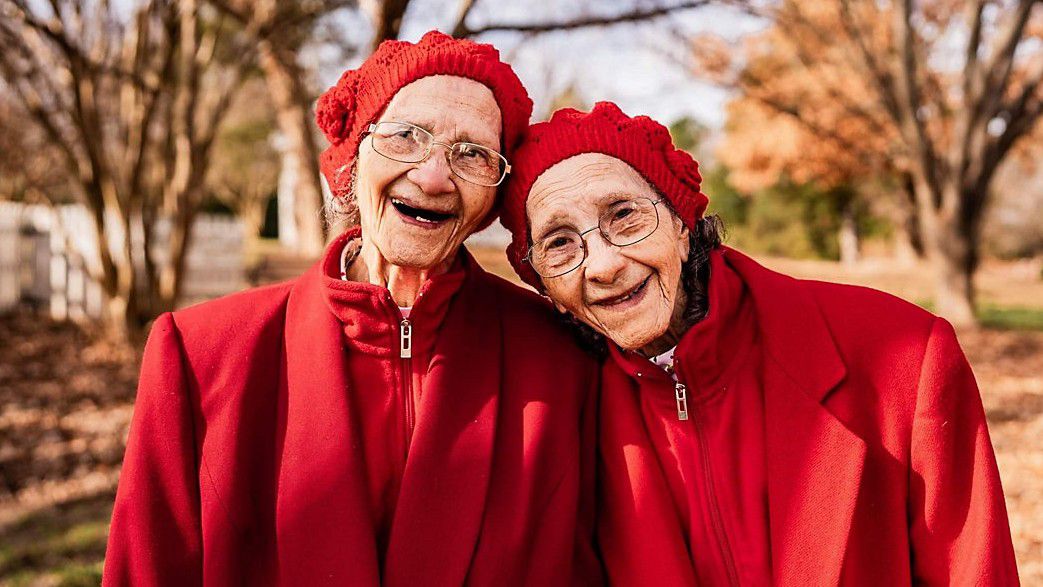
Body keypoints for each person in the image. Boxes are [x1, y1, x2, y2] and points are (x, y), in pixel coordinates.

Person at [104, 31, 600, 586]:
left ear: (492, 198)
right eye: (406, 136)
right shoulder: (199, 355)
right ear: (352, 159)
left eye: (473, 154)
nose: (433, 176)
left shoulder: (562, 363)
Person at [500, 101, 1019, 585]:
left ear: (682, 226)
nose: (605, 264)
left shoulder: (901, 354)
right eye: (560, 243)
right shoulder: (564, 416)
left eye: (624, 215)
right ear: (549, 290)